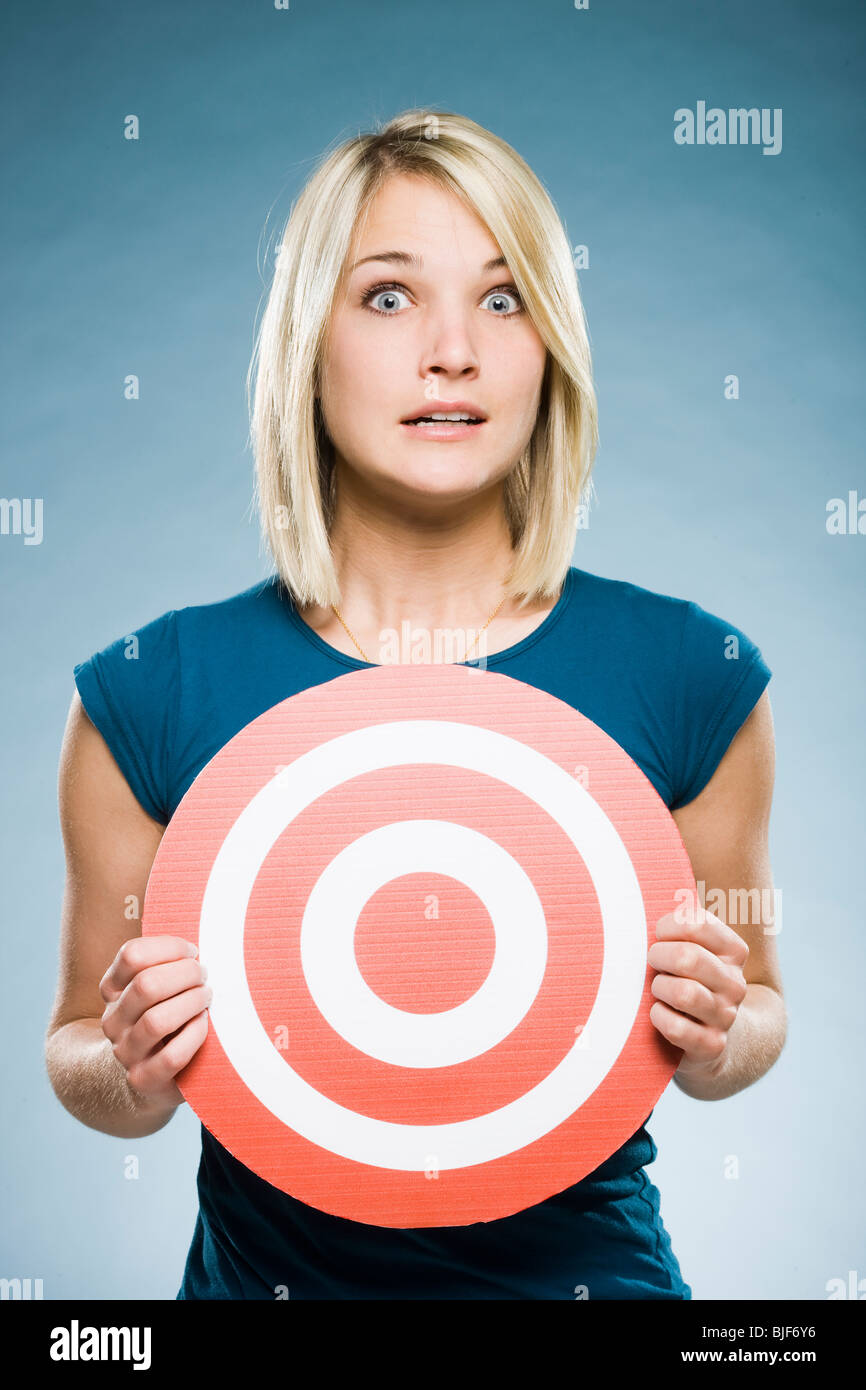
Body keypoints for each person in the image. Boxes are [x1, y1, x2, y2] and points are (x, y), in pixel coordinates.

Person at [45, 109, 786, 1300]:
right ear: (309, 341)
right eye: (388, 297)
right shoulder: (148, 690)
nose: (453, 351)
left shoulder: (688, 669)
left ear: (550, 345)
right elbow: (82, 1045)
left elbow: (752, 1015)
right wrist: (127, 1066)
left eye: (502, 301)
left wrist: (712, 1029)